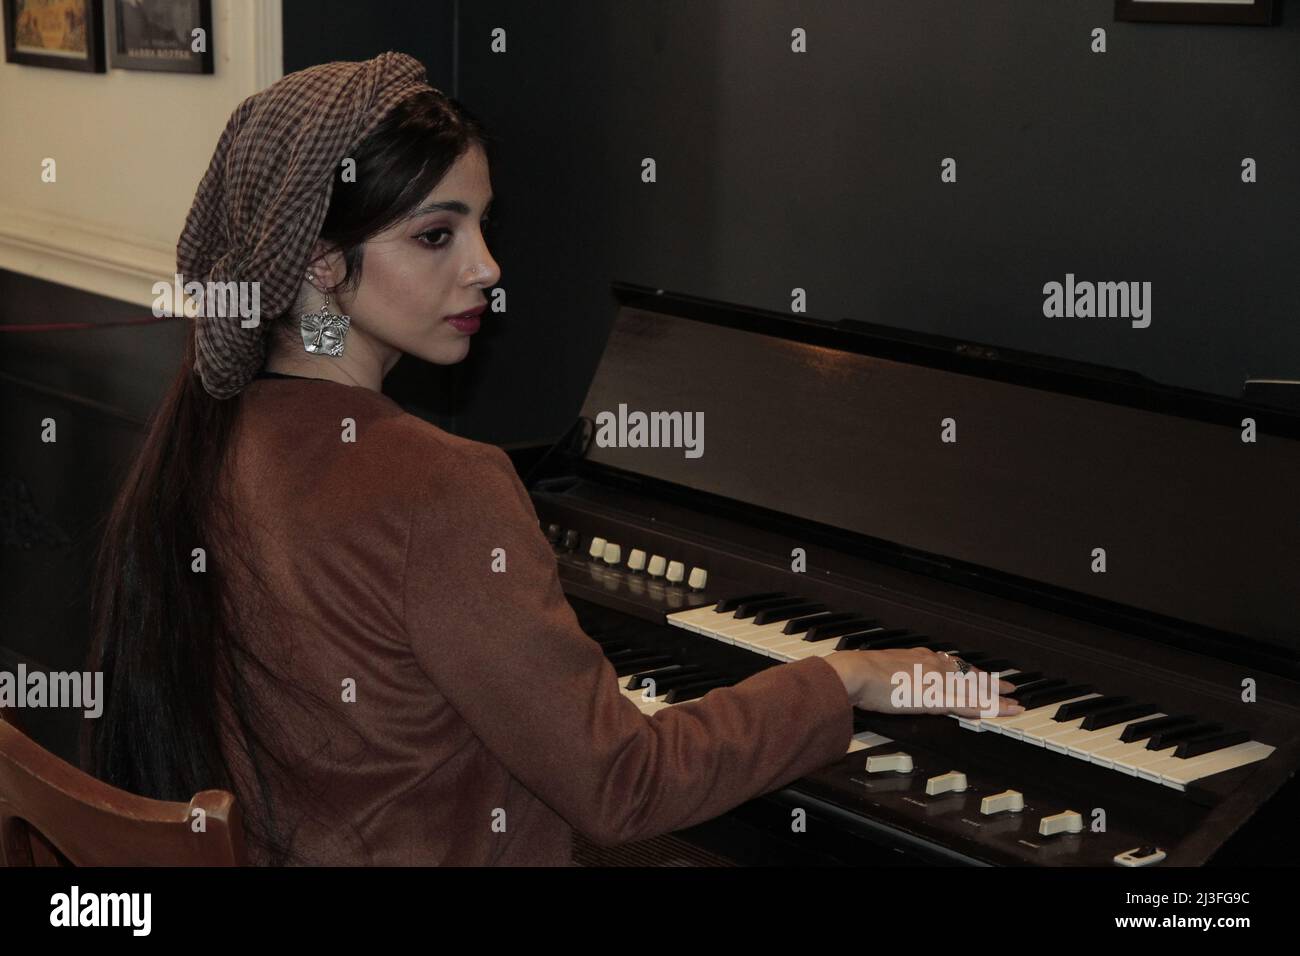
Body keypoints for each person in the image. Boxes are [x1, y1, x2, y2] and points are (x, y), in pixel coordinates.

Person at [85, 52, 1020, 865]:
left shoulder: (210, 433)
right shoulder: (440, 485)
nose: (487, 267)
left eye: (483, 226)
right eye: (436, 235)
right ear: (322, 265)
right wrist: (844, 676)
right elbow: (625, 787)